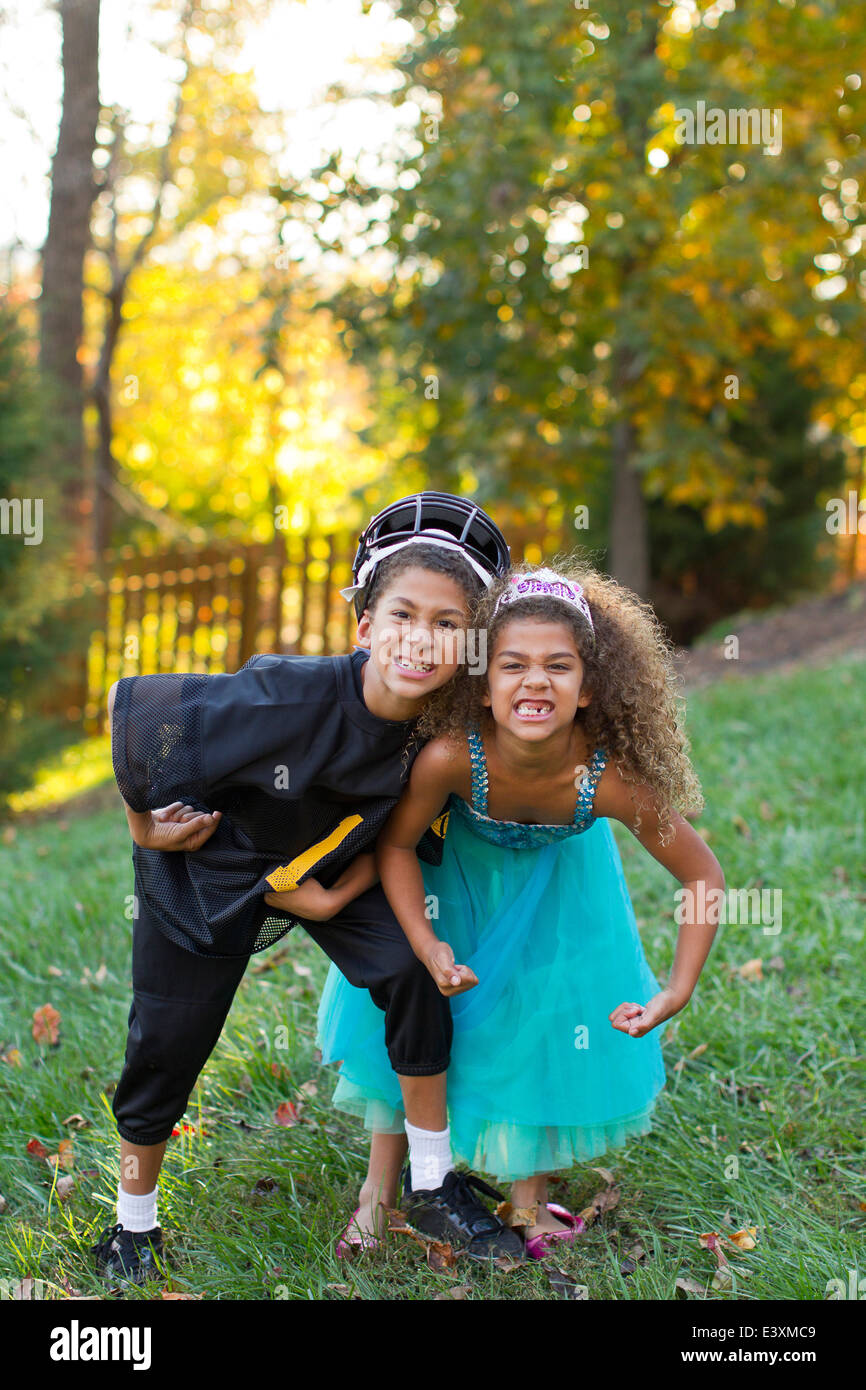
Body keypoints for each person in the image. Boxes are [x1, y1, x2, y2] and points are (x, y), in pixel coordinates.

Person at [92, 493, 526, 1286]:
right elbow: (131, 708)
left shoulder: (437, 731)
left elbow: (393, 831)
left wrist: (328, 900)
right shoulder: (285, 697)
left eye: (446, 622)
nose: (420, 638)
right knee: (168, 1041)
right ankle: (132, 1225)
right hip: (214, 867)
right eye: (402, 614)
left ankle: (430, 1180)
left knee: (410, 968)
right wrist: (143, 827)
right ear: (364, 624)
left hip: (326, 869)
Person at [316, 560, 725, 1258]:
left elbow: (702, 876)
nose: (535, 681)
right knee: (411, 1018)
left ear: (590, 688)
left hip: (560, 896)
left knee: (551, 1016)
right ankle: (379, 1191)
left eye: (559, 667)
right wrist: (423, 941)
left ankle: (528, 1200)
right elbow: (398, 848)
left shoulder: (609, 780)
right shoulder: (450, 757)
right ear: (481, 682)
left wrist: (677, 988)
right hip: (454, 888)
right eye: (513, 665)